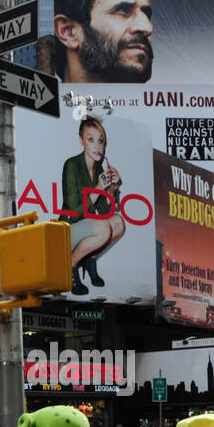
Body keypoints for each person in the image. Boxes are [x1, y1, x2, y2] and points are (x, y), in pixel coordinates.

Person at [53, 0, 153, 84]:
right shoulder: (44, 102)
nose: (147, 27)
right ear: (67, 32)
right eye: (123, 11)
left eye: (146, 14)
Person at [62, 117, 125, 295]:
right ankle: (71, 266)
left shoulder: (98, 170)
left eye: (100, 141)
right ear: (81, 140)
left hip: (87, 228)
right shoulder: (72, 165)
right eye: (91, 140)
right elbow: (74, 213)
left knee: (118, 223)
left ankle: (90, 259)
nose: (97, 146)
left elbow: (106, 211)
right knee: (104, 227)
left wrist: (114, 187)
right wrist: (98, 188)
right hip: (68, 228)